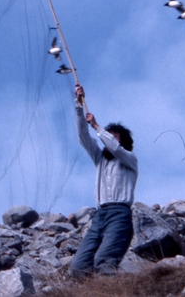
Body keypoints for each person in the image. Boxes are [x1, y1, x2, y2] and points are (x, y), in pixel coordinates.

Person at [70, 85, 137, 276]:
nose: (106, 143)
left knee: (104, 262)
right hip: (99, 216)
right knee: (78, 268)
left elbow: (114, 147)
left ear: (121, 143)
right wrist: (79, 105)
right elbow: (84, 137)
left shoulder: (129, 159)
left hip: (119, 214)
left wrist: (97, 127)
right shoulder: (100, 160)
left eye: (113, 139)